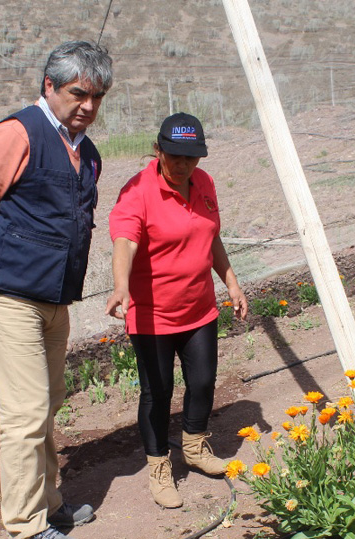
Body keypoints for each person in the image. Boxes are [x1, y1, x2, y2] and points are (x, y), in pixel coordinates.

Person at [0, 40, 112, 539]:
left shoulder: (87, 152)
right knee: (24, 412)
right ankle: (25, 529)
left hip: (52, 295)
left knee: (49, 400)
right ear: (49, 86)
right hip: (7, 291)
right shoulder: (17, 133)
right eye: (78, 93)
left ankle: (48, 504)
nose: (87, 105)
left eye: (97, 97)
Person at [105, 113, 248, 509]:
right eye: (174, 156)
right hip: (153, 316)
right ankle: (158, 466)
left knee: (202, 382)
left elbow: (211, 237)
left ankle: (195, 447)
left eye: (191, 157)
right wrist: (121, 286)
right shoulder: (137, 191)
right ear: (158, 150)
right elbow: (125, 241)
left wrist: (231, 283)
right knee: (158, 391)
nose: (183, 165)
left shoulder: (204, 183)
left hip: (198, 308)